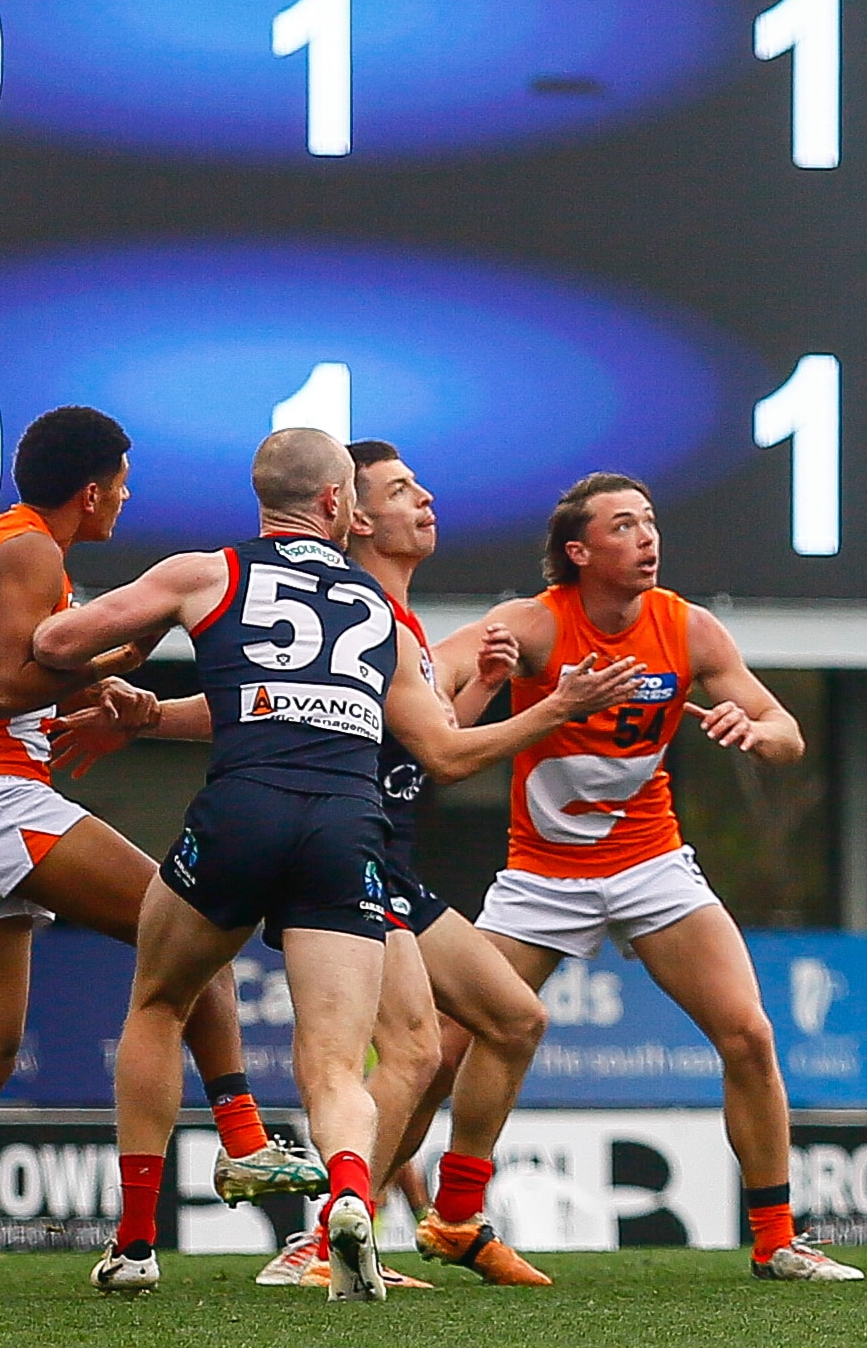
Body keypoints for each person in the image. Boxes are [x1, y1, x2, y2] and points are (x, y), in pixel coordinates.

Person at [31, 429, 613, 1300]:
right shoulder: (377, 611)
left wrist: (127, 670)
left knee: (159, 1001)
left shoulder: (209, 570)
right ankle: (348, 1196)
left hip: (243, 808)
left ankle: (136, 1243)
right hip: (349, 829)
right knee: (341, 1063)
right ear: (340, 506)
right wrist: (551, 707)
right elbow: (439, 748)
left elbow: (54, 642)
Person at [0, 409, 321, 1301]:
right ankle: (242, 1141)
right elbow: (4, 686)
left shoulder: (9, 542)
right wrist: (134, 650)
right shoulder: (34, 548)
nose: (126, 491)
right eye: (121, 477)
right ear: (90, 487)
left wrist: (104, 673)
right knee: (192, 929)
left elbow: (4, 681)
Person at [466, 473, 863, 1282]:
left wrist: (753, 728)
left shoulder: (687, 627)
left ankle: (777, 1239)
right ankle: (440, 1213)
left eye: (650, 521)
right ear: (579, 552)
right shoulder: (533, 624)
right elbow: (432, 690)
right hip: (540, 873)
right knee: (436, 1046)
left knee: (748, 1034)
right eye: (624, 525)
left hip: (651, 863)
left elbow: (786, 731)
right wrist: (483, 671)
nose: (647, 537)